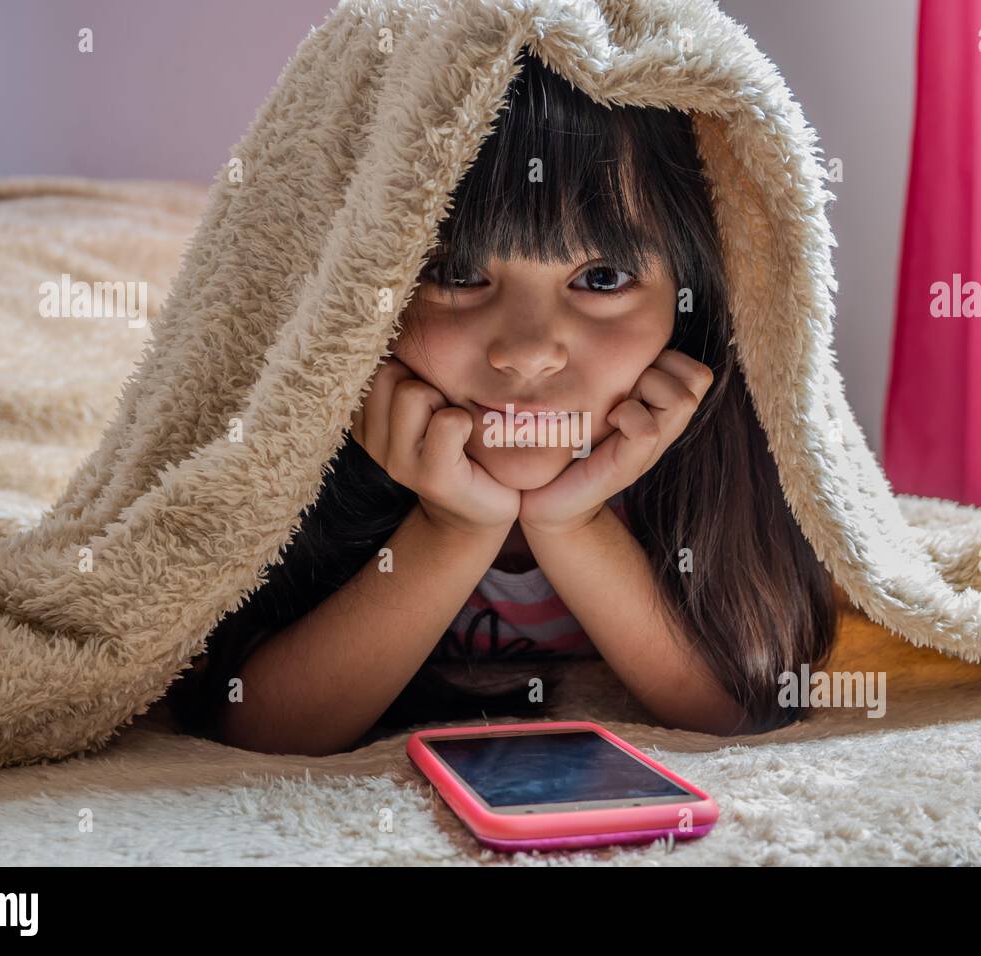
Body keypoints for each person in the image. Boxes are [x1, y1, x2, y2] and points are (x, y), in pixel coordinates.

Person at [164, 48, 838, 756]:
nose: (526, 350)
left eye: (602, 277)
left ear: (693, 304)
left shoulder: (716, 455)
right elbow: (254, 727)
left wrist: (572, 523)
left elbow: (737, 711)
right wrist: (452, 527)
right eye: (458, 273)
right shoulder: (305, 460)